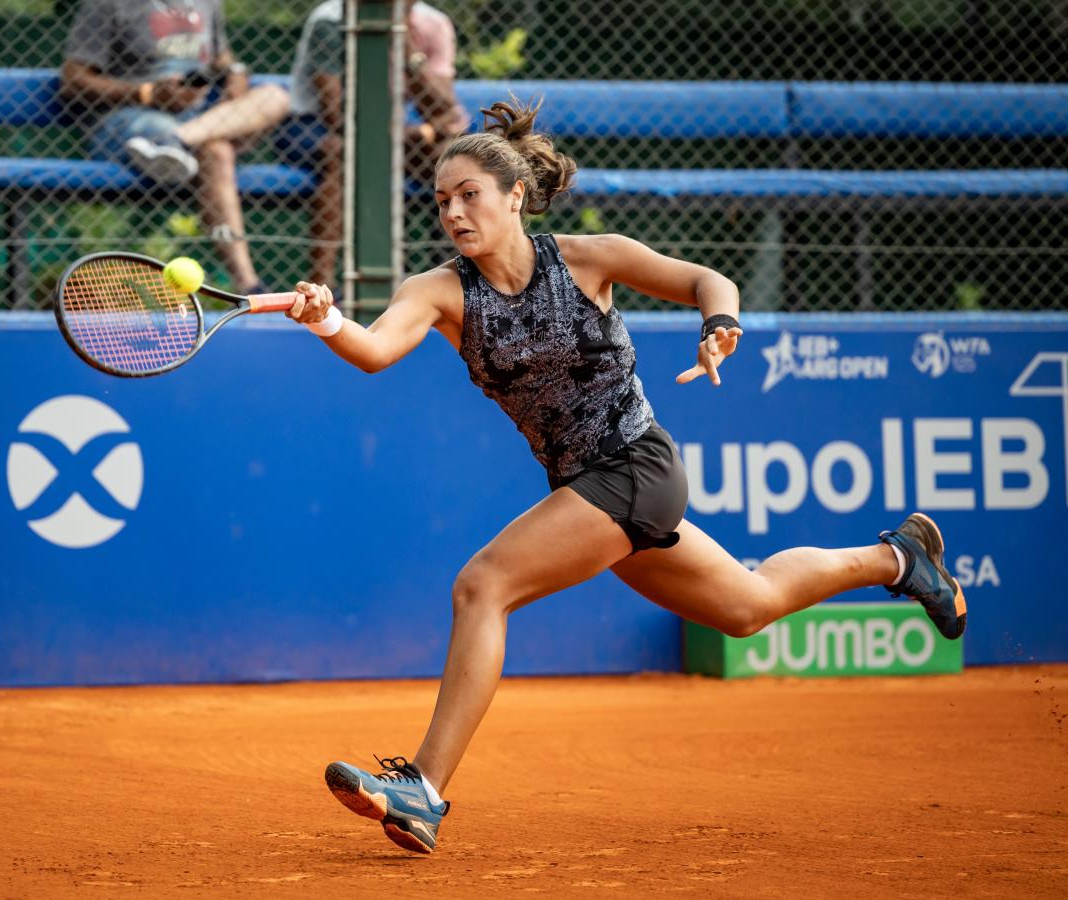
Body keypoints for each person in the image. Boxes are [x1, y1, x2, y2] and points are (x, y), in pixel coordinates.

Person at [284, 98, 968, 854]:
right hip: (586, 487)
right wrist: (325, 320)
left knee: (483, 586)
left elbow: (708, 279)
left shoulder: (589, 257)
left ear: (515, 195)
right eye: (442, 200)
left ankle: (424, 789)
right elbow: (375, 350)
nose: (453, 213)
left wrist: (719, 327)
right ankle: (900, 558)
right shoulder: (437, 291)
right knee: (748, 607)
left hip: (637, 464)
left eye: (469, 195)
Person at [59, 0, 290, 294]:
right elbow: (73, 79)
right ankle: (248, 282)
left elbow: (223, 58)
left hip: (194, 118)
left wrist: (235, 75)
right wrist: (147, 93)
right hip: (130, 117)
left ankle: (178, 141)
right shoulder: (107, 3)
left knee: (274, 97)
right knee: (216, 150)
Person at [280, 0, 470, 286]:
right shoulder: (330, 20)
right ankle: (321, 287)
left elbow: (443, 109)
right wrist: (417, 133)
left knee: (450, 158)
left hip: (391, 131)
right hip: (314, 126)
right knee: (342, 153)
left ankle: (457, 280)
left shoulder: (433, 23)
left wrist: (406, 47)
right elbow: (336, 115)